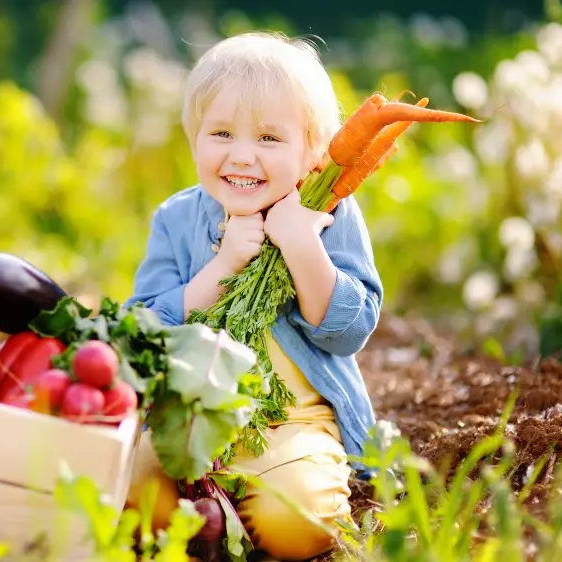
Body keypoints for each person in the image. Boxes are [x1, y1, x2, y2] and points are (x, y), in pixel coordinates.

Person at [123, 31, 383, 561]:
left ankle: (235, 518)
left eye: (268, 139)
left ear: (312, 150)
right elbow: (141, 332)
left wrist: (301, 243)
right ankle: (213, 521)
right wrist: (222, 266)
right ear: (194, 138)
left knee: (300, 520)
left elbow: (349, 332)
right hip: (188, 418)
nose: (242, 157)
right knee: (125, 488)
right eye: (220, 133)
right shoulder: (177, 218)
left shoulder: (329, 213)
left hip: (291, 423)